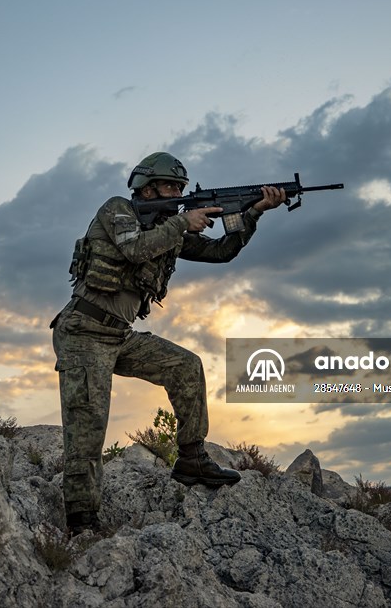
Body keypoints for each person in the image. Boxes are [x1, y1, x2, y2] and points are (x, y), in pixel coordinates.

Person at [49, 151, 287, 533]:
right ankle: (81, 521)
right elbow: (134, 248)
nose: (177, 191)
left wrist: (254, 212)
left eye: (180, 186)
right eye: (169, 185)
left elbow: (221, 252)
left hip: (118, 335)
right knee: (87, 429)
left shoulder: (168, 228)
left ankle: (192, 458)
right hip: (83, 331)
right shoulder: (117, 210)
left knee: (185, 366)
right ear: (146, 186)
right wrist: (181, 222)